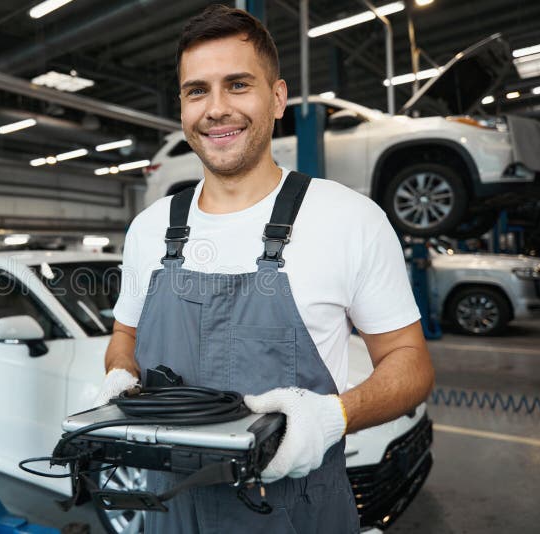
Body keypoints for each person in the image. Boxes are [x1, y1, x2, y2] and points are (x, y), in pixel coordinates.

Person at [94, 5, 434, 533]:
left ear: (277, 99)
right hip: (169, 511)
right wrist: (121, 375)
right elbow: (124, 334)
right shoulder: (149, 229)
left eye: (237, 85)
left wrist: (330, 418)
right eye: (197, 91)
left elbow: (410, 362)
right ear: (183, 108)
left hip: (298, 514)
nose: (216, 108)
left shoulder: (348, 219)